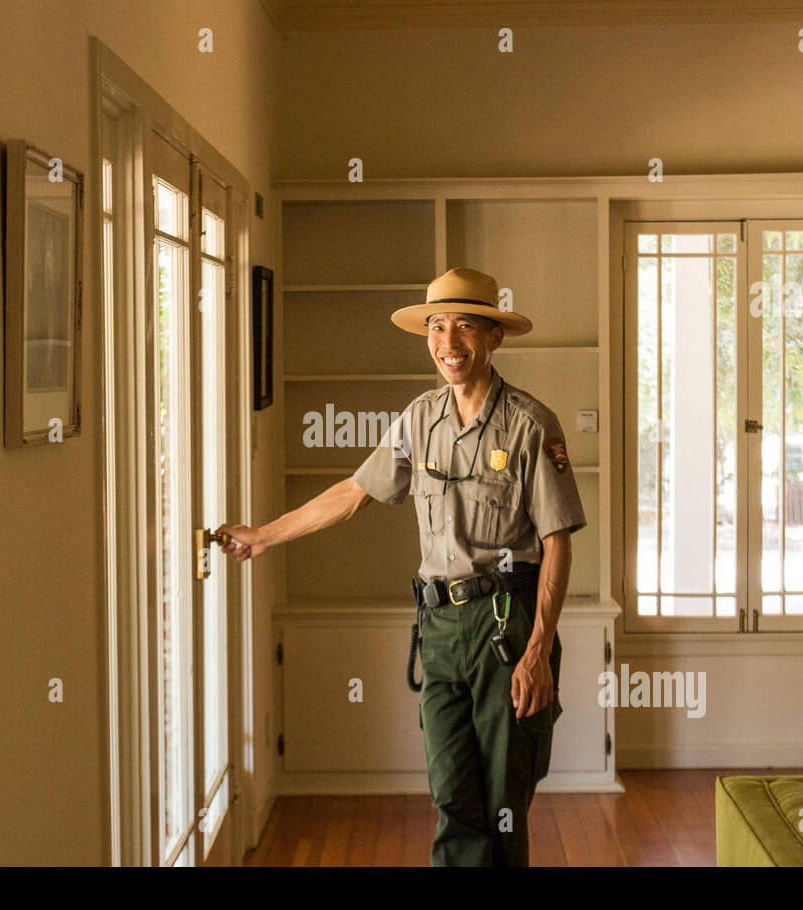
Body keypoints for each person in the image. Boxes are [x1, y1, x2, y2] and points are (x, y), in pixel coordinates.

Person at [217, 266, 586, 866]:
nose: (448, 341)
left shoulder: (530, 424)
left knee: (503, 809)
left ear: (494, 337)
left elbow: (559, 541)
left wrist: (539, 649)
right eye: (437, 326)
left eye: (464, 326)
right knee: (452, 802)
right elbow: (353, 492)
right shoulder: (418, 420)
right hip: (439, 631)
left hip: (507, 628)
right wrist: (262, 537)